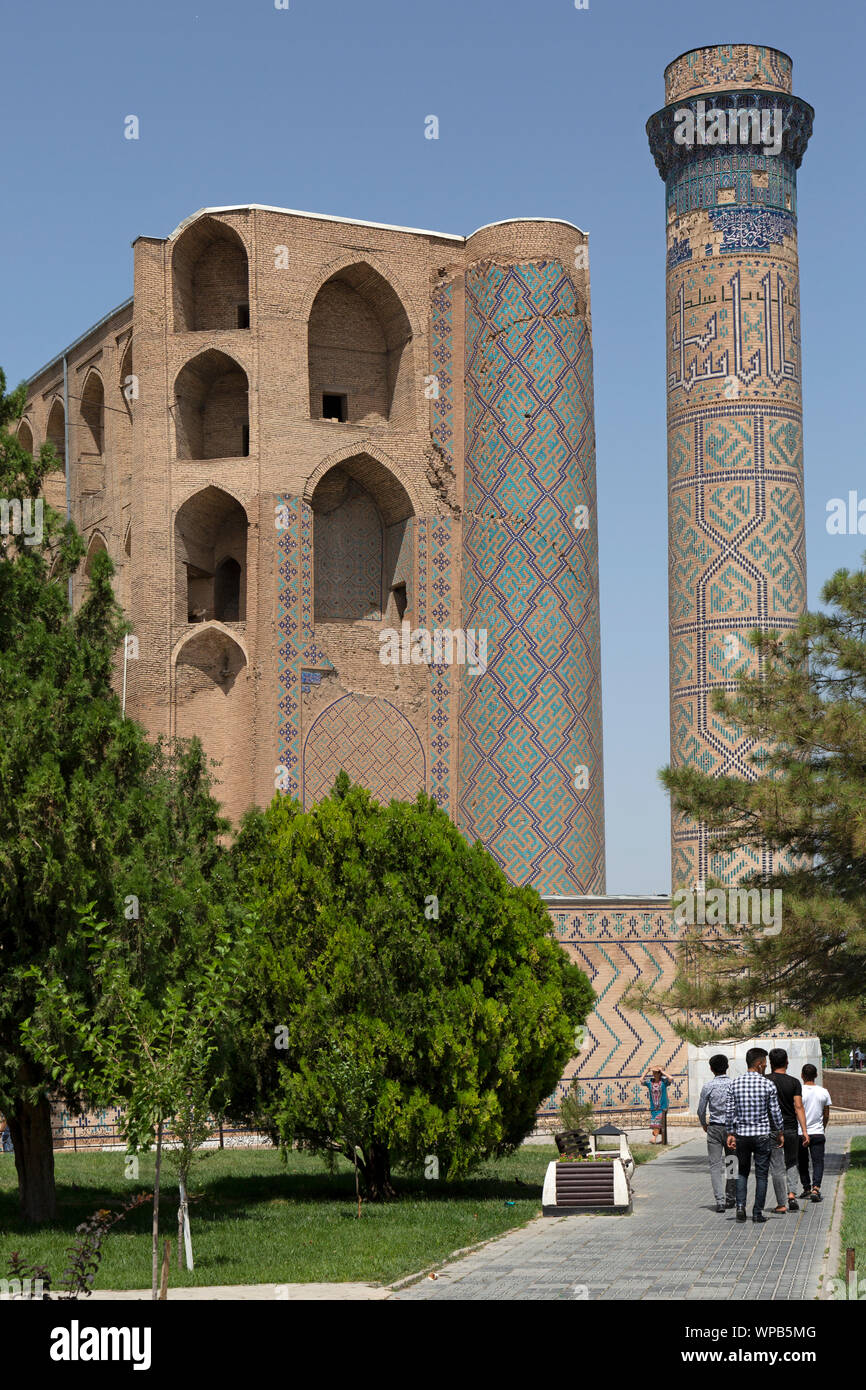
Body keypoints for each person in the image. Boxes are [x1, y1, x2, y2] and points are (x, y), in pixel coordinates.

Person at [725, 1046, 784, 1223]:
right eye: (764, 1064)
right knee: (761, 1174)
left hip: (742, 1135)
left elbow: (729, 1112)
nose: (766, 1066)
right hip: (762, 1135)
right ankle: (757, 1212)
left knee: (741, 1172)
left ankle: (740, 1207)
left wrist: (730, 1133)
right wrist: (779, 1131)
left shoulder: (734, 1083)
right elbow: (775, 1112)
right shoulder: (767, 1084)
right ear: (758, 1064)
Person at [766, 1047, 809, 1213]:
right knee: (792, 1162)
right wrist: (804, 1131)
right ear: (787, 1062)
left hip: (771, 1129)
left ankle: (781, 1203)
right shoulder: (794, 1082)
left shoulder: (765, 1081)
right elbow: (798, 1106)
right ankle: (792, 1194)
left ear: (770, 1063)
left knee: (776, 1166)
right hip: (791, 1127)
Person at [697, 1053, 736, 1212]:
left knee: (715, 1165)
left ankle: (719, 1200)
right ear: (727, 1066)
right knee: (732, 1161)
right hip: (732, 1128)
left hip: (714, 1127)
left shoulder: (708, 1086)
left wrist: (703, 1124)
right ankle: (731, 1197)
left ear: (711, 1069)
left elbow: (701, 1110)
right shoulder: (735, 1084)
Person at [798, 1064, 832, 1202]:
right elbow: (826, 1113)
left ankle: (806, 1187)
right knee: (818, 1162)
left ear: (802, 1075)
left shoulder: (798, 1091)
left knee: (802, 1162)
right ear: (816, 1075)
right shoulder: (823, 1092)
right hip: (817, 1132)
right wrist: (822, 1127)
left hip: (800, 1132)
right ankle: (816, 1188)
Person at [641, 1067, 672, 1143]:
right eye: (653, 1072)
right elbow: (641, 1080)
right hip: (653, 1108)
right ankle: (663, 1140)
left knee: (657, 1122)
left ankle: (654, 1138)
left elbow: (671, 1078)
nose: (654, 1074)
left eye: (655, 1072)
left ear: (659, 1074)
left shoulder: (664, 1082)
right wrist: (647, 1071)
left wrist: (662, 1071)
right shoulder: (650, 1082)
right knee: (656, 1123)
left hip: (662, 1107)